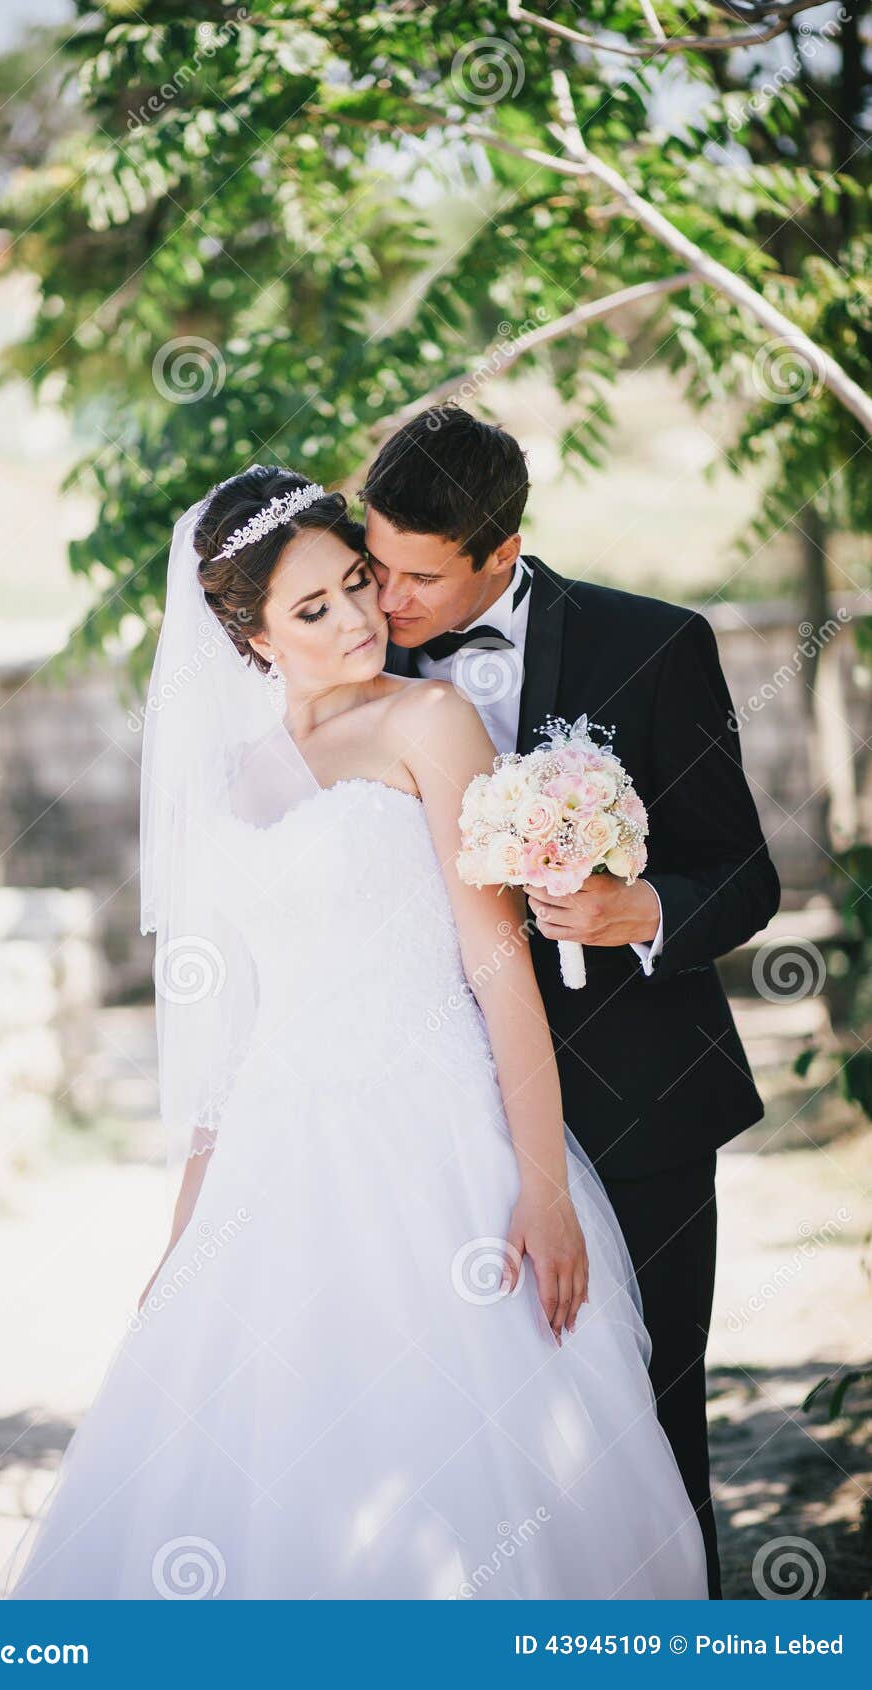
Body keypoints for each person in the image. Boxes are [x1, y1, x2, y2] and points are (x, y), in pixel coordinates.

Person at [0, 465, 708, 1601]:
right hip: (276, 1146)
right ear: (250, 636)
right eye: (311, 610)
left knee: (475, 1450)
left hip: (436, 1128)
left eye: (357, 585)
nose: (359, 620)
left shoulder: (428, 719)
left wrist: (541, 1184)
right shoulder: (223, 781)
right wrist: (181, 1241)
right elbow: (232, 1032)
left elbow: (494, 962)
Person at [364, 406, 782, 1599]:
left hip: (636, 1101)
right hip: (434, 1113)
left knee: (650, 1421)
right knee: (452, 1437)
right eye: (374, 564)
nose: (384, 602)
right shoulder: (349, 661)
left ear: (501, 552)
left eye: (416, 577)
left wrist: (635, 910)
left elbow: (741, 874)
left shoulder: (650, 645)